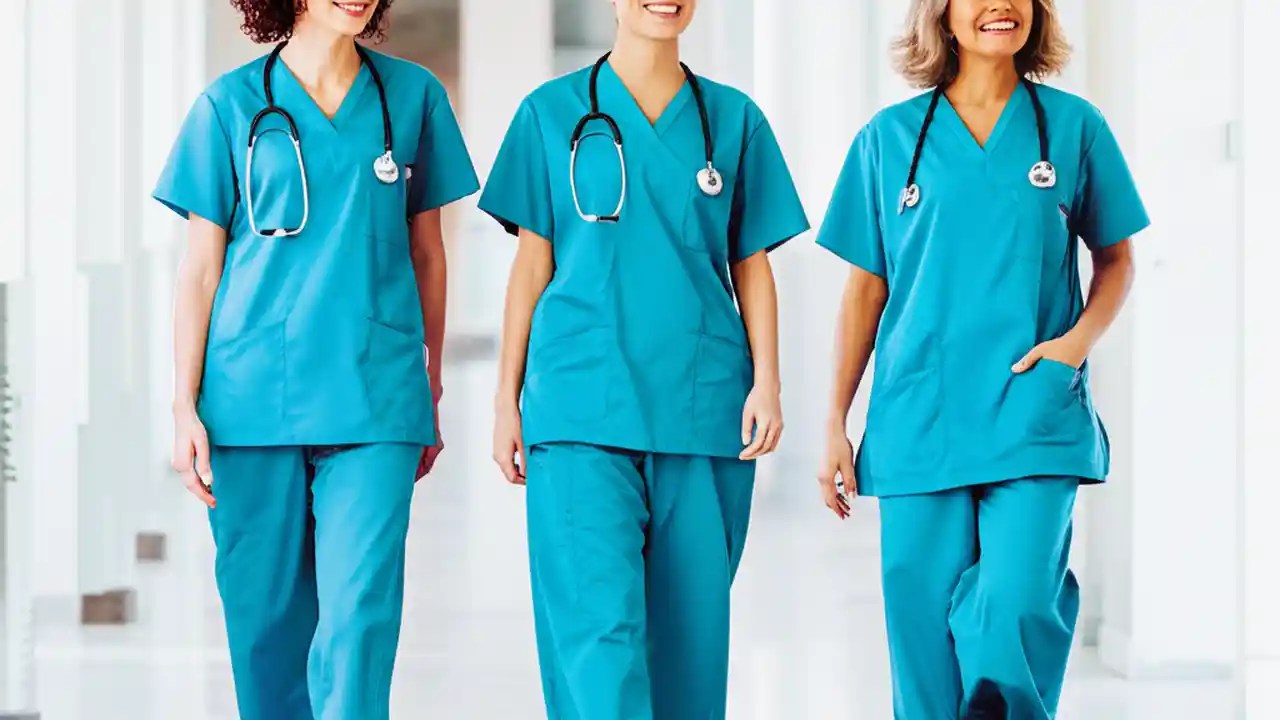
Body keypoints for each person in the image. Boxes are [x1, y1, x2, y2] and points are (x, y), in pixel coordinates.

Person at [815, 1, 1148, 718]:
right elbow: (864, 292)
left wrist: (1073, 347)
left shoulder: (1074, 127)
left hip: (1030, 410)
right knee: (923, 644)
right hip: (918, 416)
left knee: (1016, 602)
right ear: (941, 14)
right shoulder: (889, 139)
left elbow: (1116, 258)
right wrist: (836, 423)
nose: (999, 5)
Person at [479, 0, 808, 716]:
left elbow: (751, 262)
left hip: (700, 408)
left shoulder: (734, 121)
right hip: (578, 409)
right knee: (598, 647)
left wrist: (770, 382)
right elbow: (533, 265)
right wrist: (505, 398)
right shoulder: (549, 113)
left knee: (689, 652)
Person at [152, 0, 478, 717]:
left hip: (377, 398)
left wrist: (432, 377)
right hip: (248, 401)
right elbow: (201, 269)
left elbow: (428, 253)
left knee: (361, 613)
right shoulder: (229, 106)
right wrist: (183, 403)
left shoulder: (412, 97)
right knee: (265, 626)